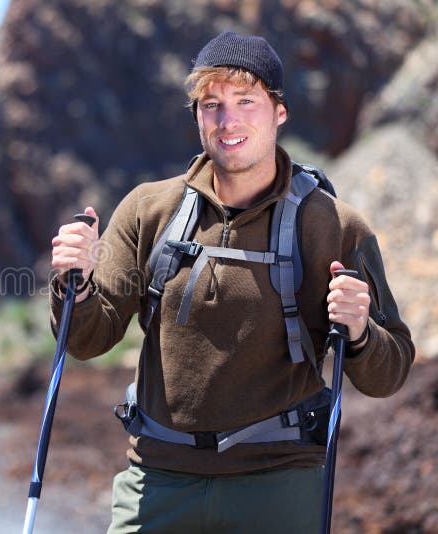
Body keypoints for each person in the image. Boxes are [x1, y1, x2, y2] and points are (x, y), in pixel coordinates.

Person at [49, 31, 414, 533]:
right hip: (157, 482)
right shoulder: (148, 209)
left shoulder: (334, 226)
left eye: (246, 101)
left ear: (278, 112)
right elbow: (86, 340)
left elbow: (390, 371)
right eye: (211, 104)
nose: (228, 120)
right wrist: (77, 283)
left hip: (279, 486)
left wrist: (359, 332)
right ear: (197, 115)